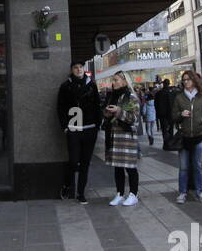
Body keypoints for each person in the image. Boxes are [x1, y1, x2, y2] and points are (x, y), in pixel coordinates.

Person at [57, 62, 101, 204]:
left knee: (85, 163)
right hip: (74, 129)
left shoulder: (91, 85)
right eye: (76, 67)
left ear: (84, 69)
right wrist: (65, 126)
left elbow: (97, 105)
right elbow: (60, 107)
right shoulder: (65, 86)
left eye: (81, 67)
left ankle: (81, 193)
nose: (78, 69)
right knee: (73, 161)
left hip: (89, 129)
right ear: (72, 70)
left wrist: (98, 124)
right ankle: (67, 185)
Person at [172, 70, 202, 204]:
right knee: (183, 167)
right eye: (184, 80)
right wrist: (180, 114)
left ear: (194, 80)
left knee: (198, 166)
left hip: (198, 136)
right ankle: (183, 191)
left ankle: (200, 191)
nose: (186, 82)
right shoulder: (179, 97)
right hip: (184, 137)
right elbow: (173, 116)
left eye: (188, 79)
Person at [104, 73, 142, 207]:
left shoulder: (131, 97)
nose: (113, 83)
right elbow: (107, 115)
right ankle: (120, 193)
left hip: (127, 137)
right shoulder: (113, 96)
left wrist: (119, 111)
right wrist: (108, 112)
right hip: (114, 136)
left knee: (130, 167)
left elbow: (134, 118)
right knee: (118, 167)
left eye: (116, 80)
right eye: (112, 80)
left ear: (125, 81)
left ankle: (133, 194)